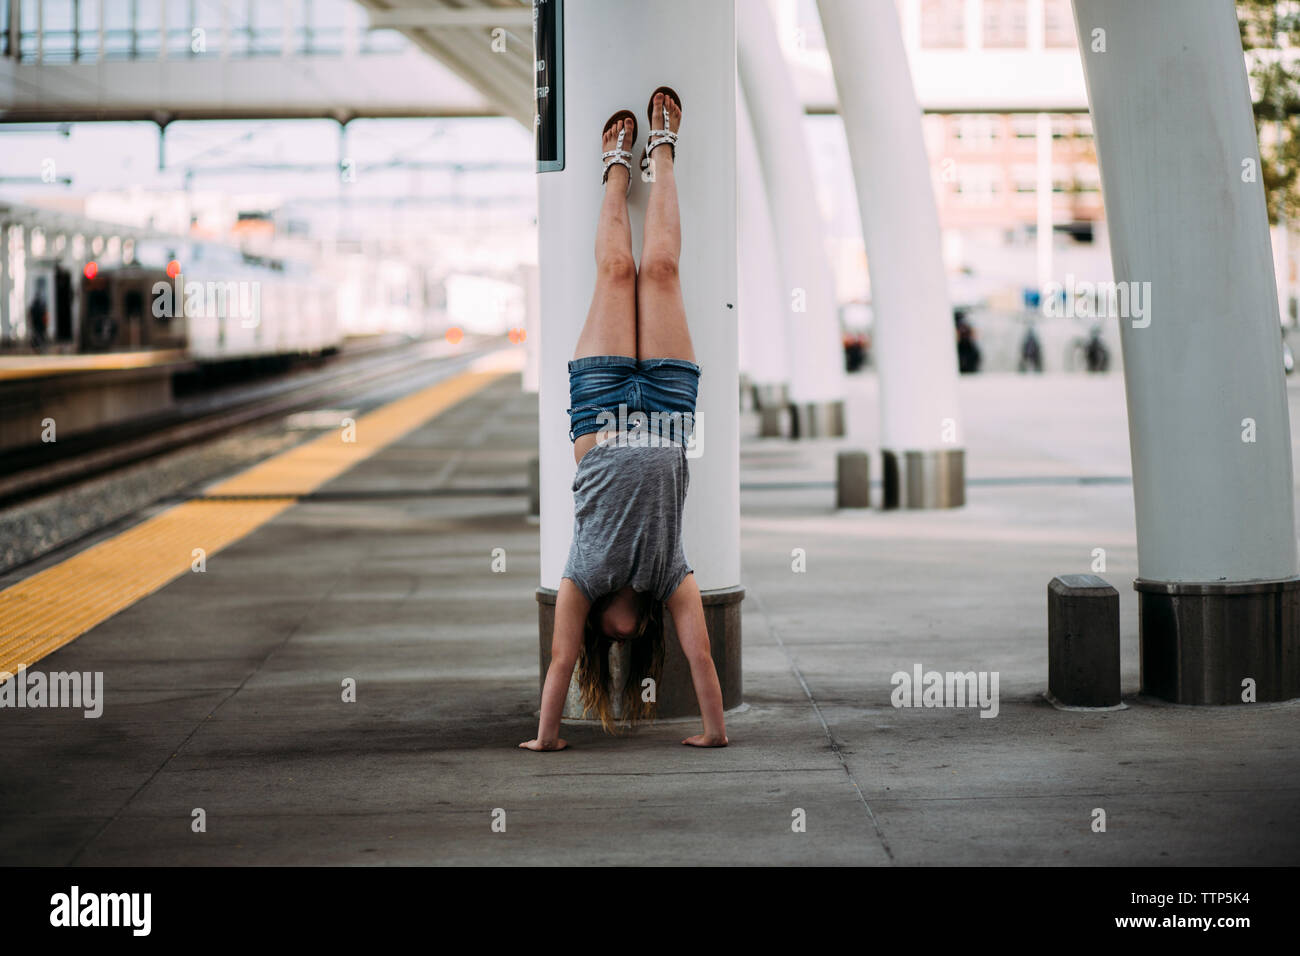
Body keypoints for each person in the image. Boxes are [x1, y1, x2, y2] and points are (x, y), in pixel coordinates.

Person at [520, 88, 729, 752]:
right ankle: (662, 155)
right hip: (668, 410)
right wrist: (715, 733)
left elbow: (557, 666)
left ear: (594, 632)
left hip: (600, 406)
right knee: (661, 272)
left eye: (609, 637)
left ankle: (615, 168)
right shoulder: (671, 573)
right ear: (642, 632)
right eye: (630, 638)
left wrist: (546, 738)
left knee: (617, 273)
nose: (623, 631)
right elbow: (700, 657)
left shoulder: (582, 577)